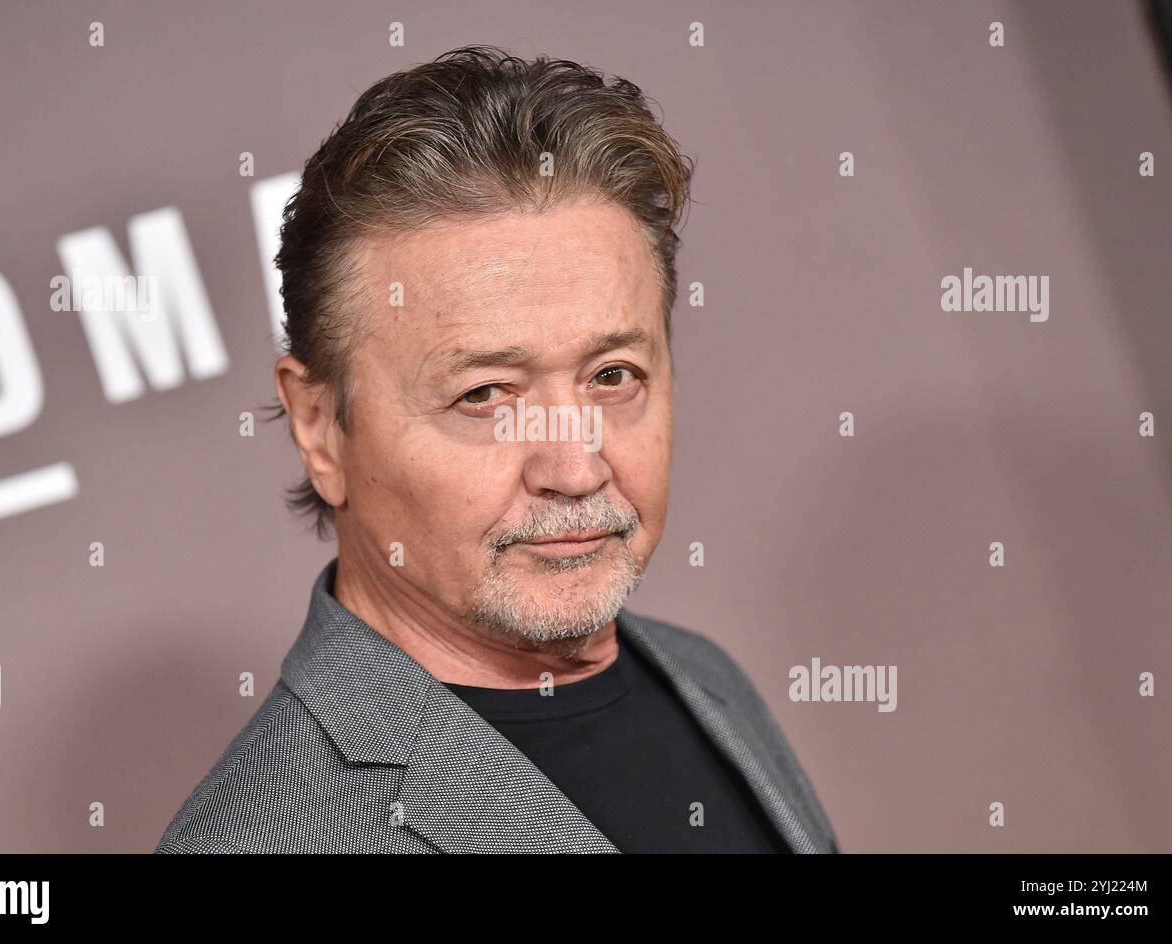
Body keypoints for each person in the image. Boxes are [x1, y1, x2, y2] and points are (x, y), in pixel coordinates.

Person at [156, 45, 838, 854]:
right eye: (484, 396)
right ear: (319, 427)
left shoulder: (705, 679)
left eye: (612, 375)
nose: (575, 467)